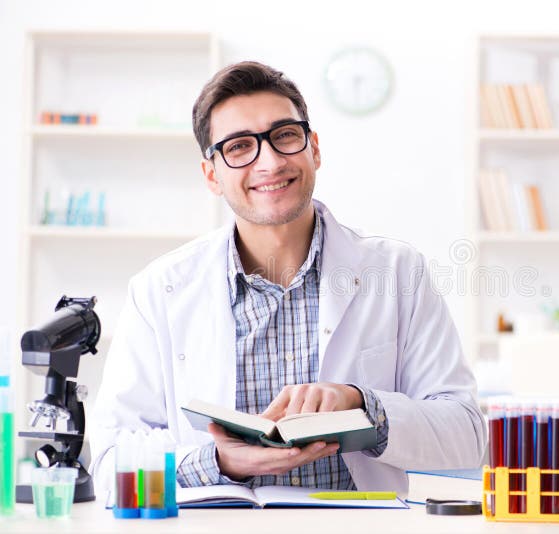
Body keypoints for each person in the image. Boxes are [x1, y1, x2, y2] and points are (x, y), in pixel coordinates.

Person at [89, 61, 486, 494]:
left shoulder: (396, 271)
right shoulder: (158, 290)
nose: (270, 161)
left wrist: (361, 405)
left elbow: (467, 436)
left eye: (285, 136)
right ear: (212, 175)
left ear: (313, 148)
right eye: (240, 147)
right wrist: (218, 461)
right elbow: (111, 462)